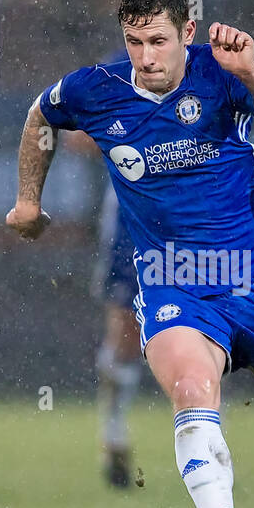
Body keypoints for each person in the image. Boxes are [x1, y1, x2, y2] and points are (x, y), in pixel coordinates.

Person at [6, 0, 254, 508]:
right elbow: (39, 115)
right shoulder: (95, 90)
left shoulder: (222, 69)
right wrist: (28, 201)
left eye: (158, 40)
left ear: (186, 32)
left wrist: (253, 72)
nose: (146, 57)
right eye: (134, 42)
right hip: (169, 277)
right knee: (189, 387)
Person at [94, 186, 143, 489]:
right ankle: (115, 438)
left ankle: (212, 450)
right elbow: (78, 141)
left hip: (193, 199)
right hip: (133, 199)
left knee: (210, 325)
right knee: (126, 330)